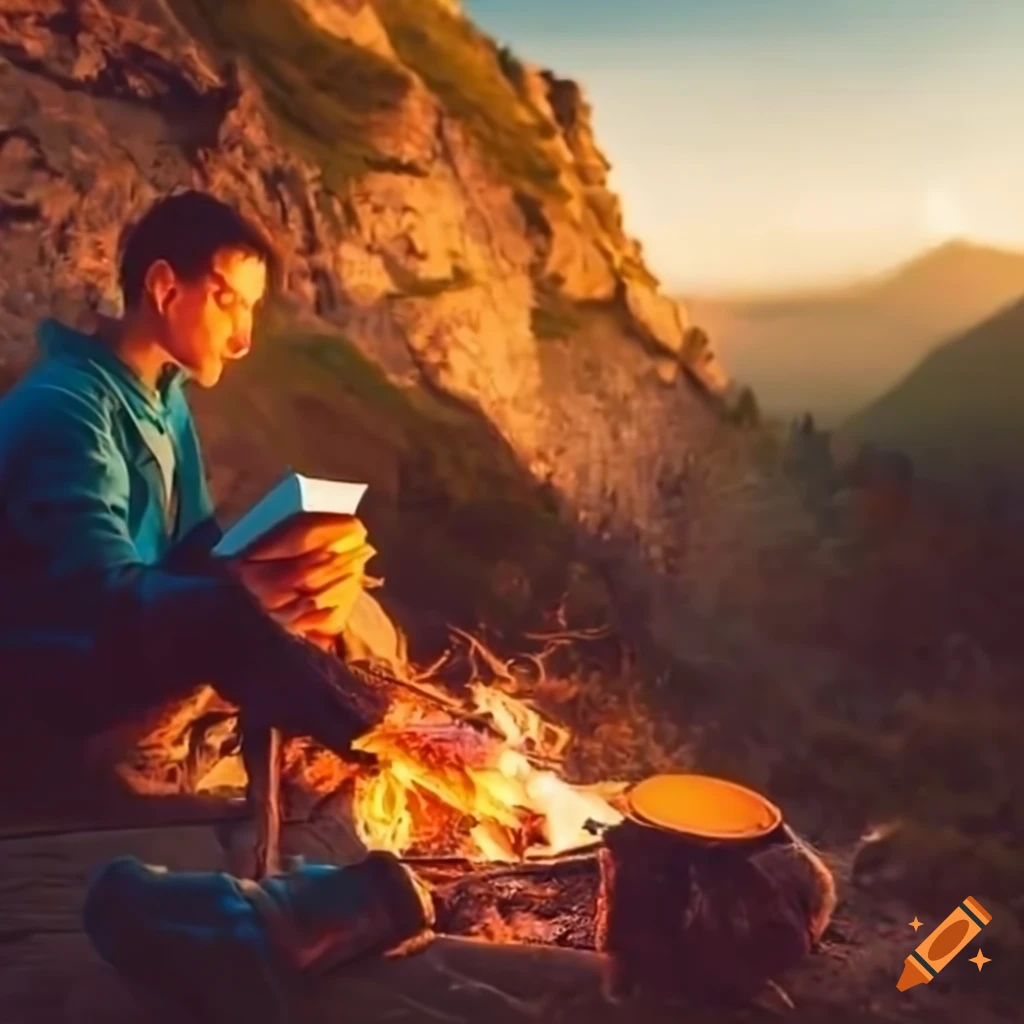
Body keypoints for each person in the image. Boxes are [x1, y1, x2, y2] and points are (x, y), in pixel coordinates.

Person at [0, 190, 389, 806]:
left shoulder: (163, 398)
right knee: (232, 622)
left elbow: (196, 546)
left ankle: (376, 738)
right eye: (226, 300)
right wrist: (240, 599)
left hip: (129, 648)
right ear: (163, 287)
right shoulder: (65, 408)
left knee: (351, 593)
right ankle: (384, 744)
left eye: (252, 309)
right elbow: (99, 597)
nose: (243, 337)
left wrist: (287, 558)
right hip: (48, 693)